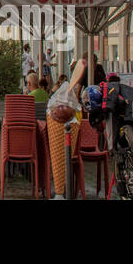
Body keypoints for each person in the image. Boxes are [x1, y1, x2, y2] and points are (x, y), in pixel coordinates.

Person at [45, 59, 87, 199]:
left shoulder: (66, 104)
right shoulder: (75, 111)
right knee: (61, 157)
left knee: (60, 157)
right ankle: (59, 191)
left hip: (66, 117)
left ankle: (60, 192)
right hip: (67, 116)